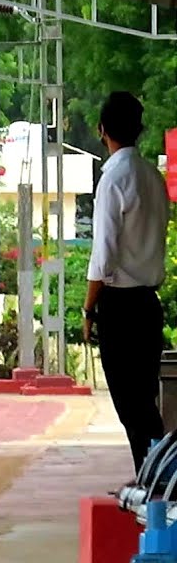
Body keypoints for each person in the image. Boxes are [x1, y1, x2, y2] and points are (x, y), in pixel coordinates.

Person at [83, 91, 170, 475]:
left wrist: (88, 309)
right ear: (139, 129)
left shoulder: (113, 180)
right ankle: (153, 478)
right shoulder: (153, 177)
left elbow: (102, 258)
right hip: (149, 304)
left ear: (102, 131)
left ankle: (155, 483)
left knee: (130, 405)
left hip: (120, 307)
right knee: (144, 400)